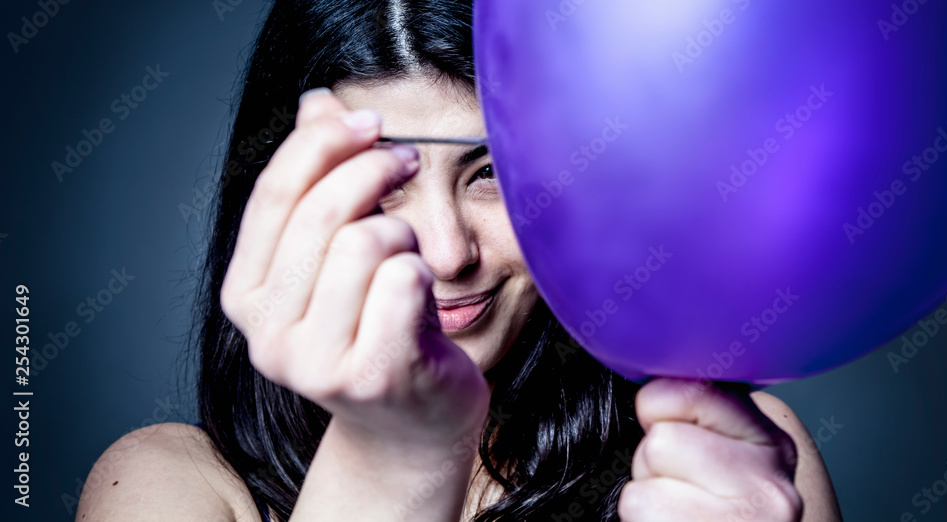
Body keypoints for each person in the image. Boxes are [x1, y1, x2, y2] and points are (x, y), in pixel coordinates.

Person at [78, 1, 842, 520]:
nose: (448, 255)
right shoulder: (169, 487)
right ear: (279, 201)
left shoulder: (730, 459)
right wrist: (393, 450)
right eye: (381, 181)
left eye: (491, 176)